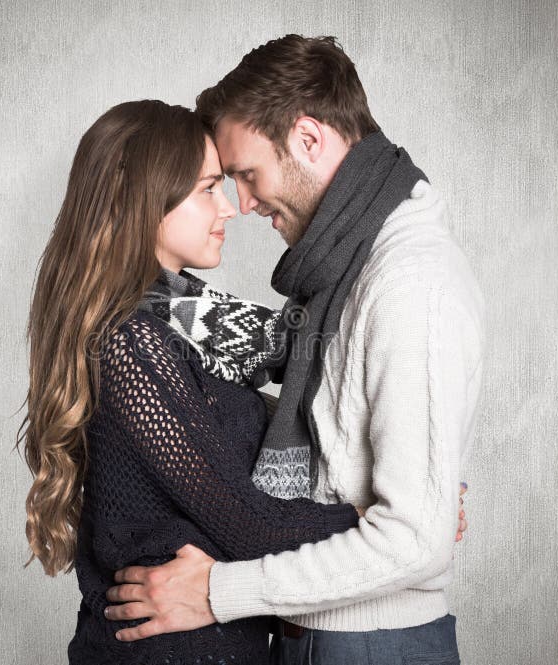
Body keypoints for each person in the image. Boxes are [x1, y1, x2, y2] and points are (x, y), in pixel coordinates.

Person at [104, 35, 486, 665]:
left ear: (309, 139)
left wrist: (217, 592)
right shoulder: (341, 280)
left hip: (370, 644)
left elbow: (415, 541)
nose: (242, 204)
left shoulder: (408, 283)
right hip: (309, 633)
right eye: (216, 186)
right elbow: (209, 346)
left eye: (245, 176)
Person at [17, 98, 399, 664]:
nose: (228, 208)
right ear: (143, 202)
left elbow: (222, 505)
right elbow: (245, 523)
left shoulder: (187, 333)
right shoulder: (133, 344)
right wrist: (378, 519)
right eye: (206, 189)